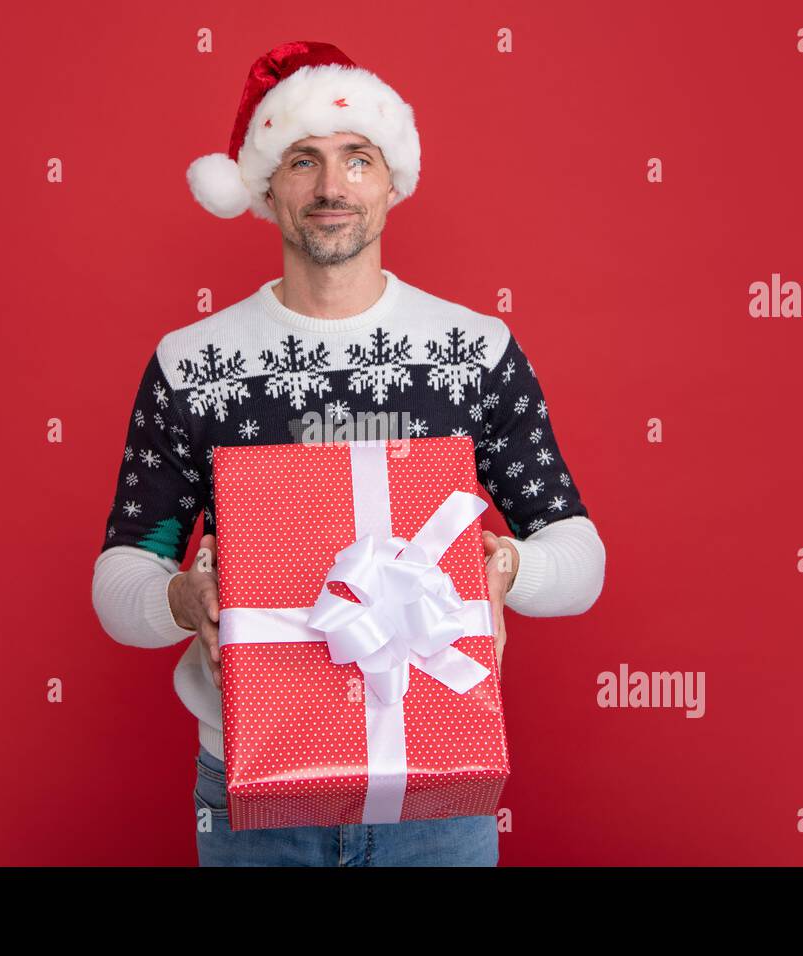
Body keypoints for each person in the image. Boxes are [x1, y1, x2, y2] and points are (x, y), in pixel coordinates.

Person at [91, 40, 606, 866]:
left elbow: (581, 559)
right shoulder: (191, 364)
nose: (332, 188)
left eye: (357, 159)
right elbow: (120, 578)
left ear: (393, 180)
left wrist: (503, 569)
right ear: (266, 186)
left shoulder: (473, 350)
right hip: (249, 792)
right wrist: (186, 600)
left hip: (436, 784)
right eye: (303, 162)